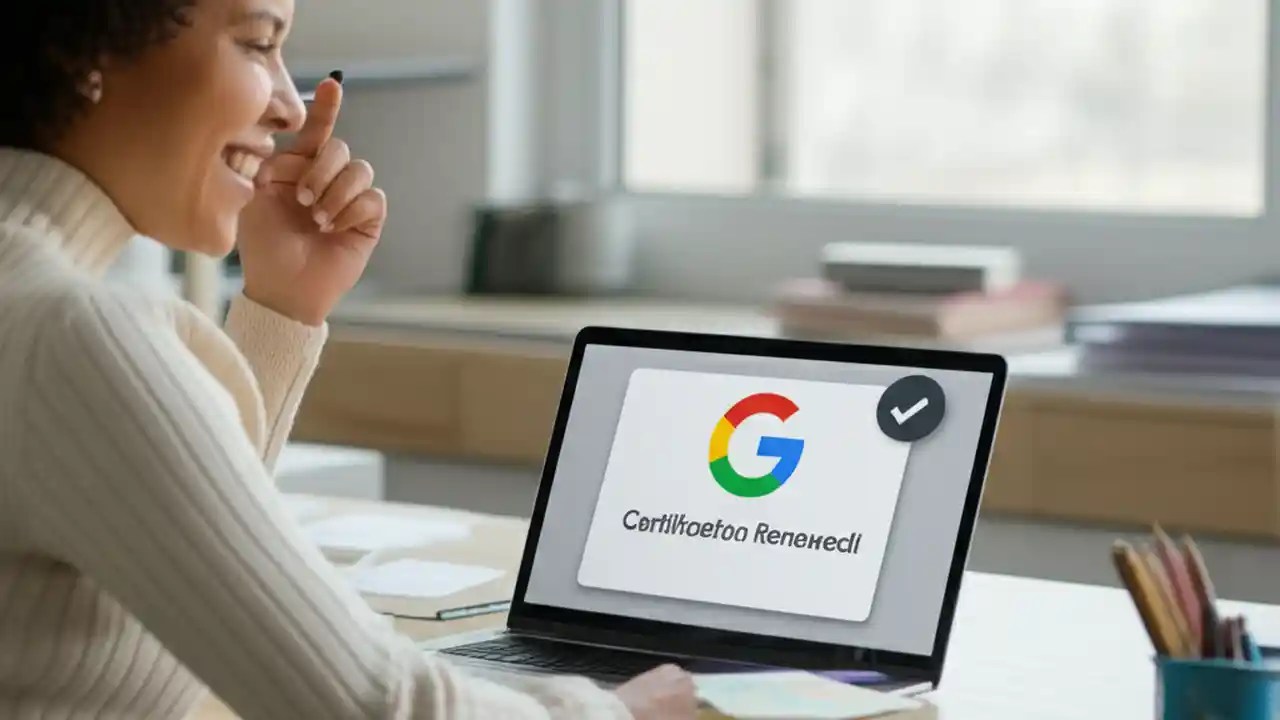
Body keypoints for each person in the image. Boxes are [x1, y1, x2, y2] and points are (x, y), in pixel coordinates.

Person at [0, 1, 699, 718]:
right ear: (86, 50)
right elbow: (374, 706)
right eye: (256, 43)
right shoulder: (72, 332)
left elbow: (190, 555)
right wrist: (613, 714)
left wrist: (282, 309)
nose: (286, 104)